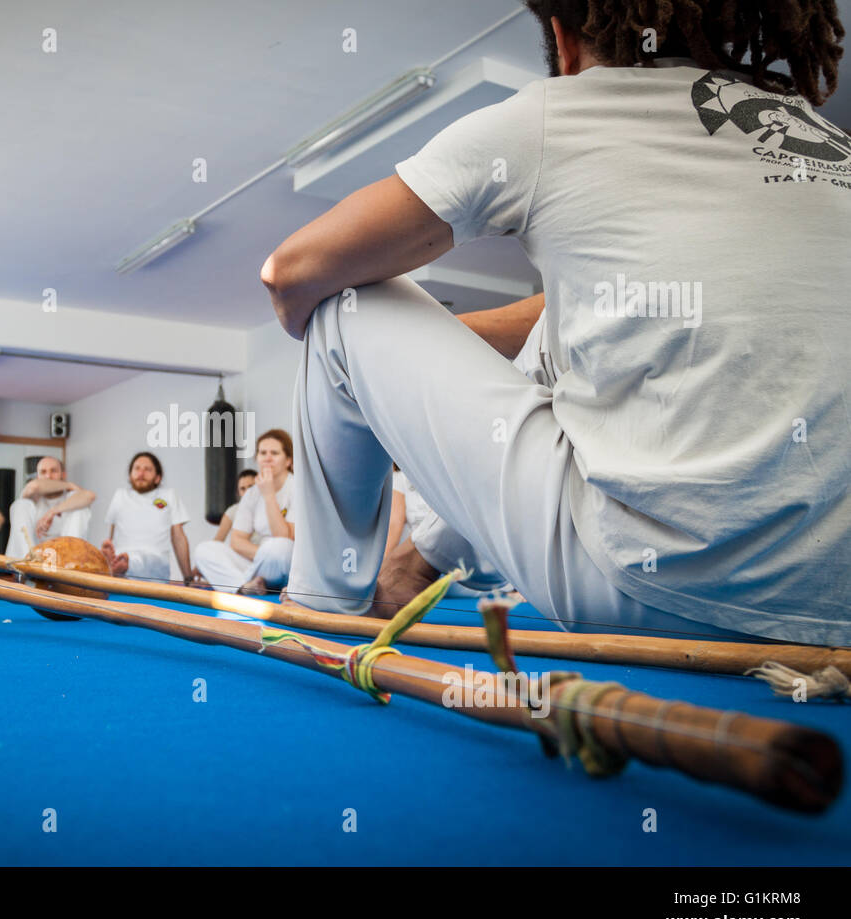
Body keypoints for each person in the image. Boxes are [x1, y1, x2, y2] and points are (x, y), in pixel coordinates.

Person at [262, 1, 851, 646]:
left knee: (346, 305)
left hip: (647, 590)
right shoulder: (829, 142)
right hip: (833, 604)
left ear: (563, 40)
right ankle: (408, 571)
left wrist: (326, 345)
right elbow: (623, 306)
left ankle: (319, 608)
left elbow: (291, 271)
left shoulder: (556, 114)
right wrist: (442, 348)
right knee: (573, 326)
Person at [192, 429, 295, 594]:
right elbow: (237, 541)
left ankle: (244, 581)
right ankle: (244, 587)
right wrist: (261, 555)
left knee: (279, 547)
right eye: (263, 453)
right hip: (261, 563)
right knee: (204, 550)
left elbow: (285, 537)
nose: (267, 458)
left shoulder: (297, 488)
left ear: (288, 460)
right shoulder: (253, 493)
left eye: (274, 453)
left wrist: (269, 496)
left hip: (286, 563)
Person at [100, 451, 192, 581]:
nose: (141, 473)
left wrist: (188, 577)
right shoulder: (119, 496)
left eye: (147, 469)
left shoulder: (168, 495)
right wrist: (107, 554)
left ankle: (126, 565)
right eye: (137, 468)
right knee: (120, 556)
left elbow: (178, 537)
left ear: (157, 477)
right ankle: (118, 565)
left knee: (143, 560)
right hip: (121, 558)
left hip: (154, 564)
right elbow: (110, 538)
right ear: (130, 475)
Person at [4, 456, 95, 558]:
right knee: (20, 505)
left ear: (63, 474)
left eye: (53, 471)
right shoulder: (32, 497)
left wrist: (53, 511)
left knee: (80, 509)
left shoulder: (70, 496)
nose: (48, 476)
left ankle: (71, 561)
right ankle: (26, 562)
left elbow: (89, 496)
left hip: (64, 557)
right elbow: (34, 486)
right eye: (43, 472)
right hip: (36, 555)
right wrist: (68, 484)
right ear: (37, 477)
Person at [211, 469, 258, 545]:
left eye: (251, 487)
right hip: (240, 554)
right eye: (242, 489)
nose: (247, 492)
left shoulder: (270, 506)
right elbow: (217, 541)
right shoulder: (232, 511)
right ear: (238, 492)